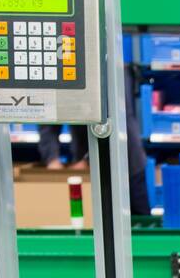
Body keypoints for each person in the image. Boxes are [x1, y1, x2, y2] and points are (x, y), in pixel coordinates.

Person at [38, 67, 151, 215]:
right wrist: (52, 159)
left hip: (126, 162)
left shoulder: (109, 68)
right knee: (95, 220)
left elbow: (113, 121)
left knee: (136, 221)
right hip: (89, 171)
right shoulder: (56, 70)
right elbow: (49, 119)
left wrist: (88, 160)